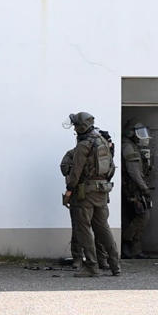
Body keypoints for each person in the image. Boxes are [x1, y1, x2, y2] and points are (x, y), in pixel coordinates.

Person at [63, 112, 121, 277]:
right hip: (102, 190)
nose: (74, 128)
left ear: (81, 127)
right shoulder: (102, 140)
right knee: (103, 228)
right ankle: (115, 265)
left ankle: (91, 267)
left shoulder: (84, 145)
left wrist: (70, 189)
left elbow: (76, 171)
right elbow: (111, 166)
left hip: (85, 193)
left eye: (75, 125)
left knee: (84, 229)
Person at [60, 148, 109, 270]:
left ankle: (101, 259)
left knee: (101, 229)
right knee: (79, 229)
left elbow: (110, 171)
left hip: (98, 195)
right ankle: (78, 258)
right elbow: (65, 169)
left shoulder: (104, 153)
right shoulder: (73, 153)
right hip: (80, 195)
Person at [121, 121, 153, 259]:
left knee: (137, 218)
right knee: (143, 216)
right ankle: (126, 241)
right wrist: (144, 189)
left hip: (135, 188)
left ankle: (135, 250)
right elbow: (133, 172)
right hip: (133, 189)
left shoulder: (133, 146)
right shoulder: (128, 147)